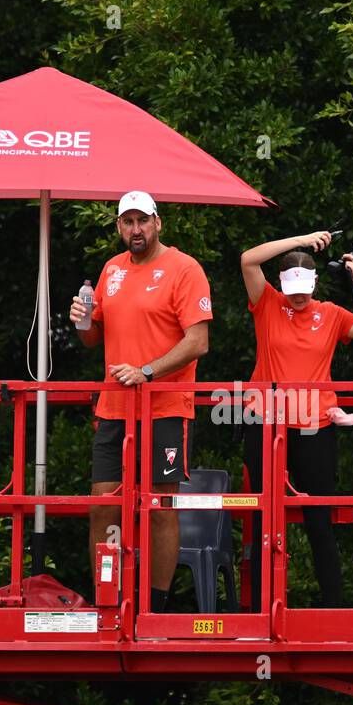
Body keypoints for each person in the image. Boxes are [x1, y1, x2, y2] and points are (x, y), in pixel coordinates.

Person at [69, 190, 211, 614]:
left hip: (164, 404)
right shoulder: (112, 268)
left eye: (142, 221)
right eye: (127, 222)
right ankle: (108, 601)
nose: (135, 230)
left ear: (157, 223)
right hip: (114, 407)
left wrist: (146, 371)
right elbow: (93, 337)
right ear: (118, 227)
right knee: (102, 504)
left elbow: (199, 341)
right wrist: (80, 320)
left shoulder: (184, 268)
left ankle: (155, 604)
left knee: (160, 507)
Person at [239, 231, 353, 610]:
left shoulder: (330, 314)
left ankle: (332, 611)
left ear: (316, 283)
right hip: (265, 423)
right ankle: (259, 612)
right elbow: (248, 259)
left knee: (319, 521)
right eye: (293, 286)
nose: (300, 295)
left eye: (306, 286)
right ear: (282, 283)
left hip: (314, 424)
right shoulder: (269, 303)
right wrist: (301, 241)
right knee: (264, 517)